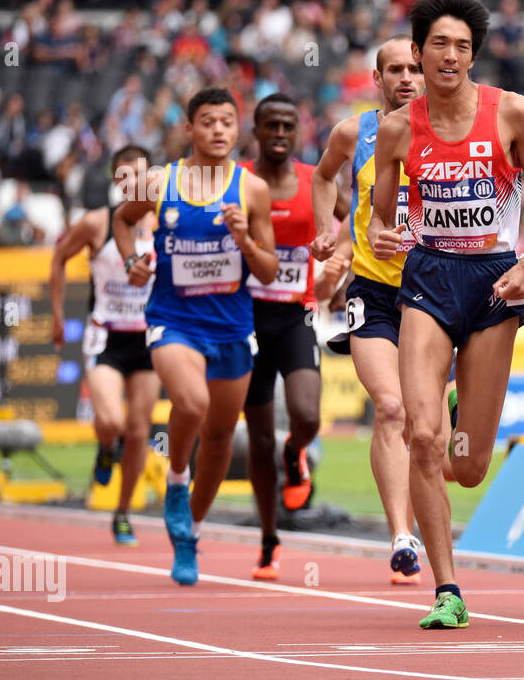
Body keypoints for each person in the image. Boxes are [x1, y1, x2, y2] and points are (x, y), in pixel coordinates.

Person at [369, 0, 524, 629]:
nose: (450, 57)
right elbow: (381, 220)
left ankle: (458, 414)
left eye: (462, 47)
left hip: (493, 282)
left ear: (473, 54)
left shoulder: (510, 111)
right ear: (417, 53)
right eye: (438, 46)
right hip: (427, 279)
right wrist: (383, 234)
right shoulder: (397, 129)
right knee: (420, 438)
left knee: (470, 467)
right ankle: (447, 590)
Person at [114, 87, 278, 585]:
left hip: (231, 326)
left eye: (228, 121)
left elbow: (268, 272)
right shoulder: (158, 182)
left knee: (221, 438)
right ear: (189, 129)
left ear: (238, 128)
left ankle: (190, 536)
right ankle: (176, 479)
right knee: (190, 404)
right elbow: (122, 223)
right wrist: (131, 262)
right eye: (207, 121)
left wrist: (245, 239)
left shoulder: (251, 191)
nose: (219, 130)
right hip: (173, 321)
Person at [310, 35, 429, 586]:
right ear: (378, 80)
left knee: (434, 430)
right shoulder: (353, 133)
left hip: (436, 296)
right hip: (374, 293)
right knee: (390, 409)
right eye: (395, 70)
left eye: (415, 68)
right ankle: (401, 535)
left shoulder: (452, 132)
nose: (406, 78)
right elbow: (321, 176)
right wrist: (327, 234)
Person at [50, 145, 161, 545]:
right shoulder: (96, 223)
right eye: (126, 175)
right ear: (116, 179)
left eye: (141, 175)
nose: (135, 183)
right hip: (106, 337)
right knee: (113, 422)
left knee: (138, 431)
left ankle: (123, 512)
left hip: (148, 338)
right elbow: (59, 258)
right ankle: (103, 447)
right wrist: (59, 314)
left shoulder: (162, 218)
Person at [239, 93, 326, 580]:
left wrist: (334, 259)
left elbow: (342, 236)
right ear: (256, 129)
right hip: (245, 317)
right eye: (270, 125)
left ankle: (296, 454)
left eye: (287, 125)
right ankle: (269, 541)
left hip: (295, 314)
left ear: (298, 131)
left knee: (307, 415)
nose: (278, 133)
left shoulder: (314, 181)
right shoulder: (237, 183)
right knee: (256, 439)